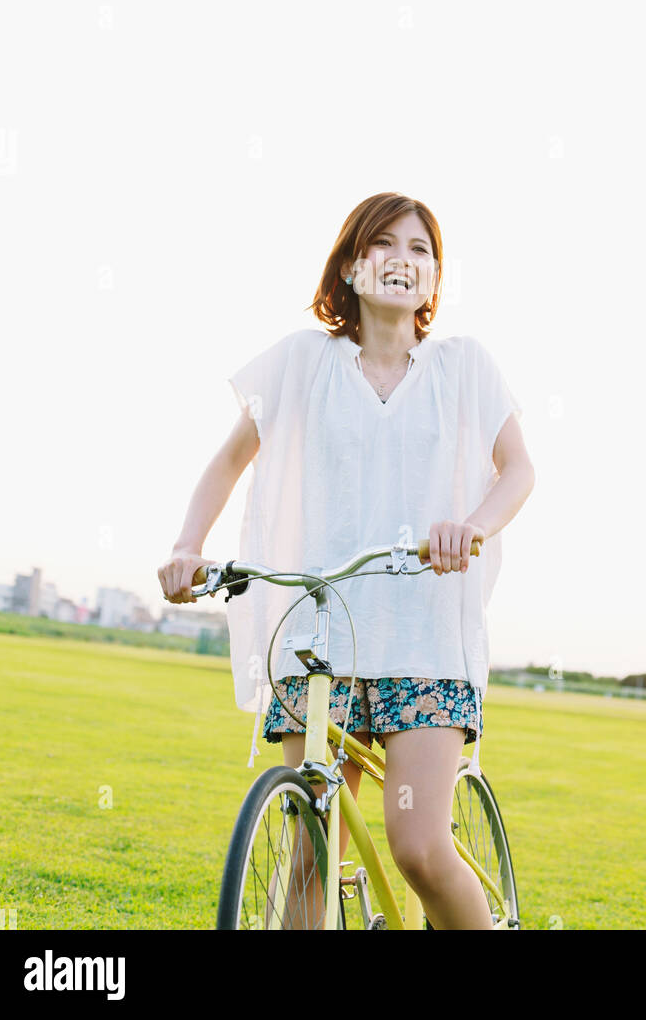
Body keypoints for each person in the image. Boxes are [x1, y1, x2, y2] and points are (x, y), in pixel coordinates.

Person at [158, 192, 535, 929]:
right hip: (320, 639)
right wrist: (185, 548)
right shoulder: (303, 363)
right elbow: (227, 461)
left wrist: (471, 527)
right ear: (351, 265)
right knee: (310, 849)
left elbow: (517, 469)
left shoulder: (465, 367)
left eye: (420, 248)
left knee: (420, 847)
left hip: (425, 642)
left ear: (434, 278)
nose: (403, 258)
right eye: (383, 243)